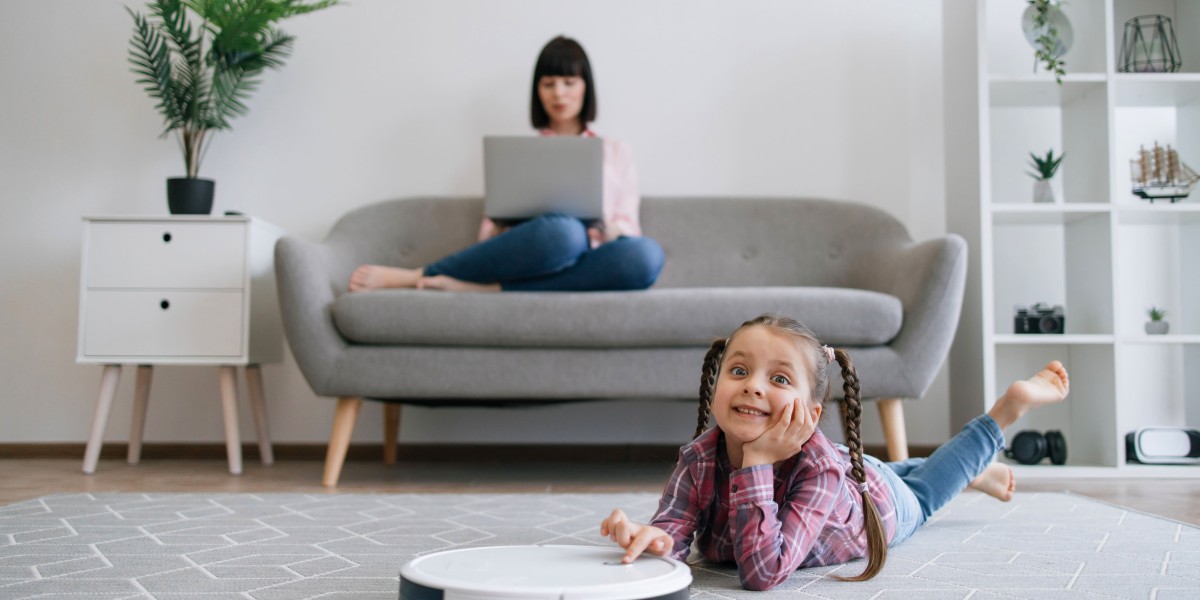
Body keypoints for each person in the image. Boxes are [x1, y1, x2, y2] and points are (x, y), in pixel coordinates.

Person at [599, 314, 1070, 591]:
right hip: (850, 465)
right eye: (739, 370)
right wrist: (653, 540)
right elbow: (673, 535)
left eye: (779, 379)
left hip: (875, 500)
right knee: (902, 470)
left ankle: (1005, 413)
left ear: (812, 409)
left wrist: (759, 463)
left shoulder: (822, 471)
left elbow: (762, 573)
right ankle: (977, 476)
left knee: (925, 492)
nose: (753, 387)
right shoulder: (699, 458)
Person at [348, 36, 664, 293]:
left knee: (646, 255)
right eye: (549, 83)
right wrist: (507, 225)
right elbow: (489, 234)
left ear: (585, 87)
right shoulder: (521, 154)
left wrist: (604, 227)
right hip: (542, 251)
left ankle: (492, 290)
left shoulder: (616, 152)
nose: (559, 93)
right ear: (537, 91)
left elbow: (630, 230)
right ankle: (417, 275)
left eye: (569, 82)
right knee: (565, 233)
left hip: (596, 261)